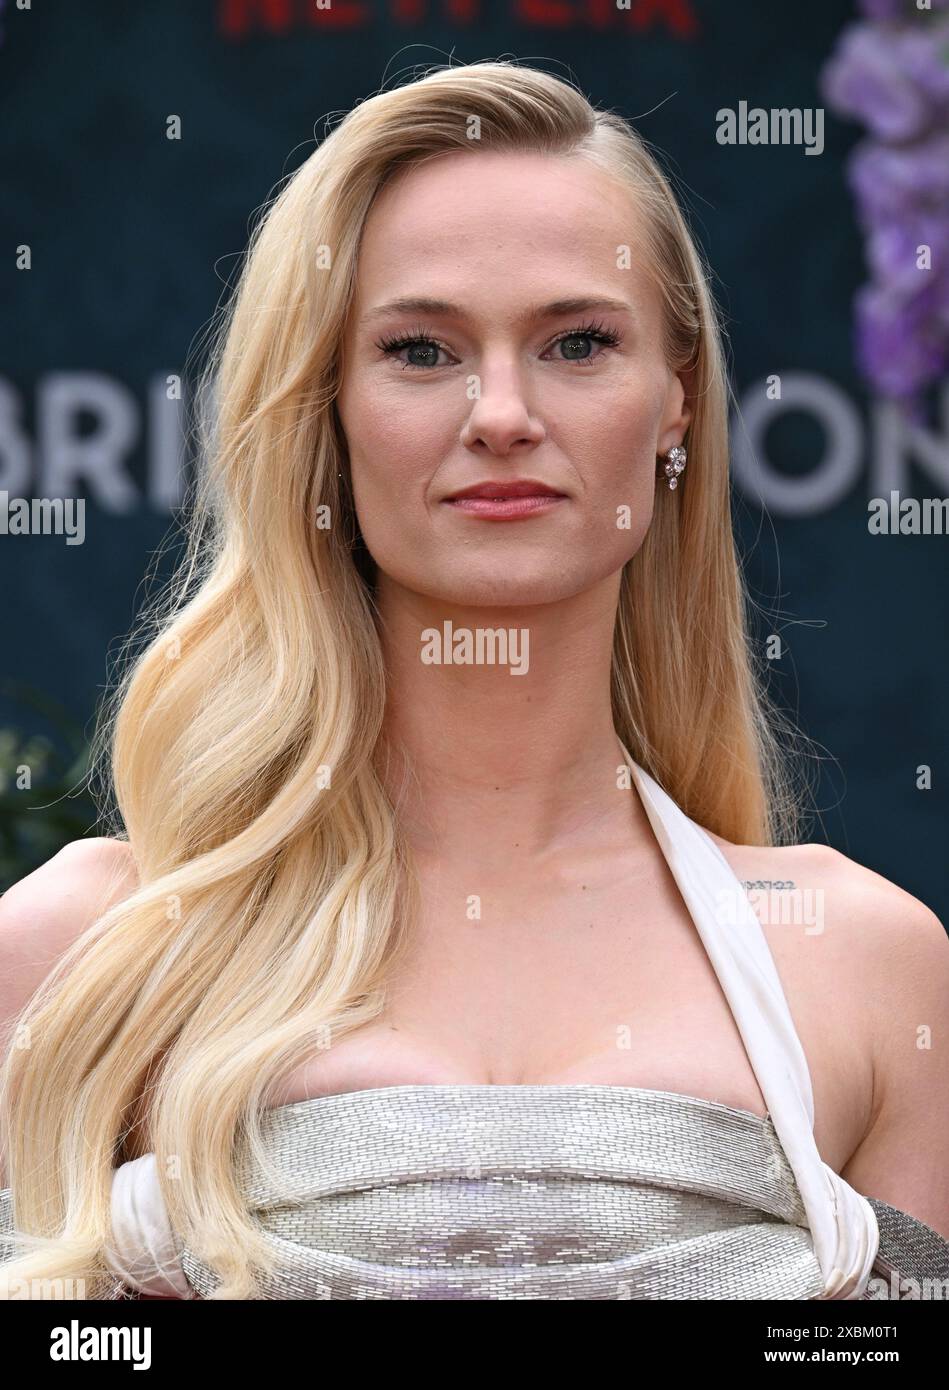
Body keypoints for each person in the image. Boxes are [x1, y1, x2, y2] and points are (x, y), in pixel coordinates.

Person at [1, 59, 948, 1302]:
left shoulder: (868, 963)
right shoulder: (82, 953)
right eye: (419, 349)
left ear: (675, 401)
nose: (501, 414)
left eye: (575, 341)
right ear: (323, 408)